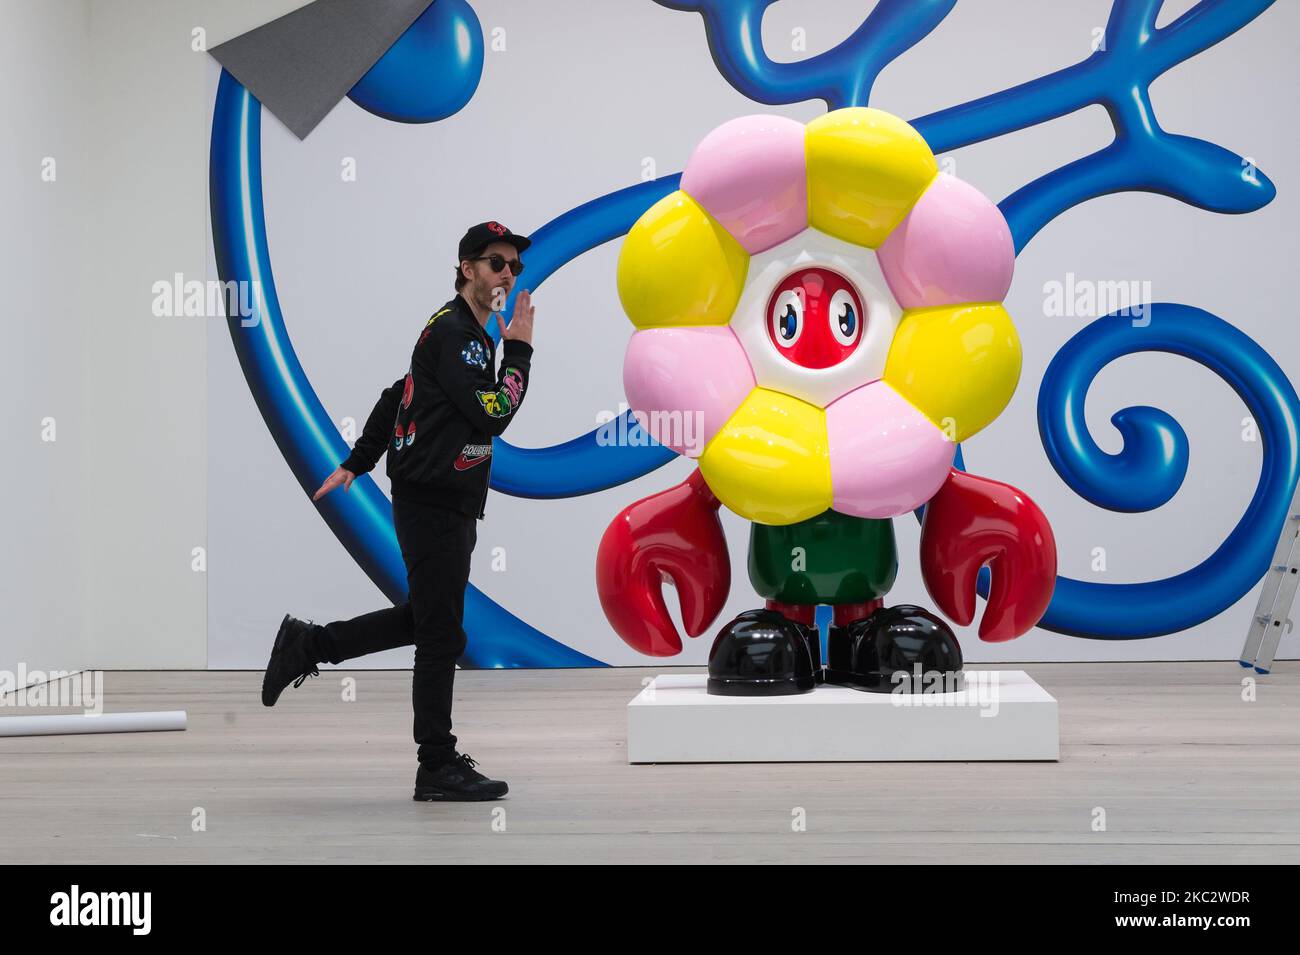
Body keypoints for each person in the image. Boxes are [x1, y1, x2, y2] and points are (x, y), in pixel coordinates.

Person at [260, 221, 536, 802]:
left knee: (430, 623)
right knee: (441, 636)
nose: (507, 274)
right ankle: (435, 763)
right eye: (495, 262)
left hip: (438, 497)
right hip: (434, 501)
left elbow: (398, 394)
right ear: (467, 268)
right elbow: (492, 413)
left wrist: (357, 462)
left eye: (514, 266)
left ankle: (309, 645)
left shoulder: (457, 331)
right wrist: (521, 350)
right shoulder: (462, 336)